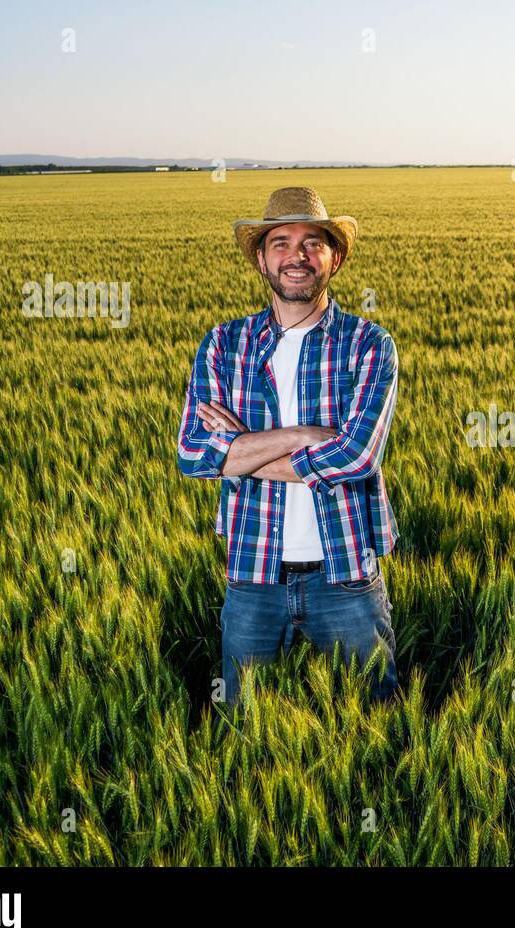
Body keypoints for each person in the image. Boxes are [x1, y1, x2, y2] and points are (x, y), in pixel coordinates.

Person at [176, 186, 399, 709]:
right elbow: (193, 456)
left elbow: (357, 457)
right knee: (243, 724)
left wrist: (241, 453)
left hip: (346, 571)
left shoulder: (368, 344)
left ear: (335, 257)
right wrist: (302, 435)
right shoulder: (223, 345)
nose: (295, 256)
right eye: (280, 242)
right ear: (261, 258)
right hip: (253, 572)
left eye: (312, 243)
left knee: (378, 716)